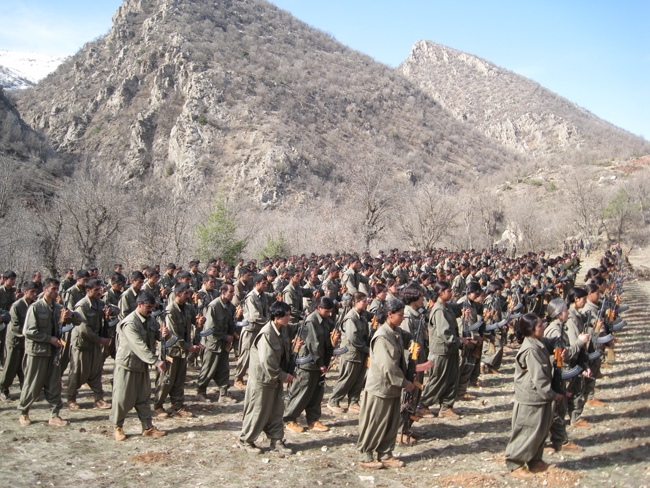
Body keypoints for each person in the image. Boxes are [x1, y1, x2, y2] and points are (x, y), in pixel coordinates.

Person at [357, 299, 414, 469]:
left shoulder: (394, 332)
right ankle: (366, 454)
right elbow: (387, 366)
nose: (403, 318)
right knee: (374, 422)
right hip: (380, 387)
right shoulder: (382, 336)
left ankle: (386, 453)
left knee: (391, 423)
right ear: (390, 315)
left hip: (391, 387)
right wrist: (404, 382)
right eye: (400, 315)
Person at [17, 278, 82, 427]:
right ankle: (24, 412)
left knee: (54, 384)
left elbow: (79, 320)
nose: (55, 291)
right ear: (45, 290)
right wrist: (49, 339)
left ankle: (54, 415)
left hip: (53, 353)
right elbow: (28, 331)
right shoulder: (36, 308)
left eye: (57, 289)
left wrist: (70, 315)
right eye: (53, 289)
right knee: (32, 384)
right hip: (38, 352)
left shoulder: (59, 308)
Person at [505, 313, 562, 479]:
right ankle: (515, 463)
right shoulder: (530, 349)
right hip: (532, 397)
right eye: (539, 326)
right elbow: (539, 378)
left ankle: (535, 461)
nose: (543, 327)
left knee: (541, 430)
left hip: (539, 397)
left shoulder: (537, 343)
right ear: (530, 330)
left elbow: (547, 344)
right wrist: (553, 394)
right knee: (527, 430)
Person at [110, 292, 167, 441]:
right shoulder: (130, 323)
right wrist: (155, 361)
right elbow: (139, 346)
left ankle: (147, 427)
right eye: (148, 307)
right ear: (139, 305)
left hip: (142, 365)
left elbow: (156, 334)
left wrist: (163, 334)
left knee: (144, 397)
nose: (151, 310)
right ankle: (118, 427)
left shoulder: (150, 320)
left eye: (152, 307)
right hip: (127, 365)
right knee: (122, 398)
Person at [239, 301, 294, 455]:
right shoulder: (267, 334)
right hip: (263, 380)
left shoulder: (281, 330)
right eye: (287, 315)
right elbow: (267, 362)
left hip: (275, 378)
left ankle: (276, 440)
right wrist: (284, 376)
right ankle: (247, 440)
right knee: (258, 411)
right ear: (277, 317)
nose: (289, 318)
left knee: (277, 411)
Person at [283, 297, 334, 433]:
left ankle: (313, 419)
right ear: (319, 308)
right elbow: (313, 344)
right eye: (327, 311)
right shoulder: (312, 321)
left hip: (319, 361)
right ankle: (289, 419)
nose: (329, 314)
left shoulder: (326, 320)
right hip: (308, 362)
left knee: (317, 393)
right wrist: (320, 363)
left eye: (330, 311)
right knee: (302, 391)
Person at [153, 283, 204, 418]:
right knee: (166, 380)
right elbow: (174, 335)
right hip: (171, 351)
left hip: (182, 352)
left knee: (179, 380)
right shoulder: (171, 310)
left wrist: (200, 322)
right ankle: (158, 405)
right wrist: (190, 347)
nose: (188, 296)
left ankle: (178, 406)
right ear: (178, 294)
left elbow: (194, 320)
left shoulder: (187, 308)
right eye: (186, 293)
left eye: (189, 293)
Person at [419, 281, 466, 419]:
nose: (451, 293)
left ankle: (446, 407)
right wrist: (459, 341)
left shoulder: (447, 308)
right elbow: (444, 333)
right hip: (441, 351)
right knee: (438, 379)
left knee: (452, 379)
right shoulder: (439, 310)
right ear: (440, 292)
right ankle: (422, 405)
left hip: (450, 350)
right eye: (449, 291)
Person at [67, 279, 112, 410]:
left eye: (100, 289)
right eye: (96, 290)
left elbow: (116, 309)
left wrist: (110, 312)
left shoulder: (99, 303)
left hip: (95, 344)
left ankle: (99, 399)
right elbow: (83, 329)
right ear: (88, 290)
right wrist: (100, 340)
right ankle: (71, 398)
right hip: (83, 344)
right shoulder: (82, 306)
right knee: (78, 373)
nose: (100, 292)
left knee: (96, 371)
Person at [328, 292, 370, 414]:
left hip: (360, 352)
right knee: (347, 378)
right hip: (352, 353)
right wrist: (366, 349)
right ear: (357, 302)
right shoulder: (351, 317)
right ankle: (334, 400)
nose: (367, 303)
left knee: (358, 379)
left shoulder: (361, 315)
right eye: (364, 301)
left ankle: (353, 402)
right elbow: (353, 338)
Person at [197, 283, 237, 403]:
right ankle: (201, 391)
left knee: (224, 369)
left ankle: (223, 394)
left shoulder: (230, 307)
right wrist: (225, 337)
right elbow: (210, 328)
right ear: (223, 292)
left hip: (224, 344)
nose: (233, 294)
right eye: (230, 291)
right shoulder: (214, 306)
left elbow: (231, 323)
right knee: (208, 368)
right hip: (212, 343)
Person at [0, 281, 38, 401]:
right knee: (10, 368)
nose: (34, 294)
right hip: (15, 342)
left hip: (27, 342)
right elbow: (14, 327)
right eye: (32, 292)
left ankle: (25, 390)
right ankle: (3, 389)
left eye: (36, 292)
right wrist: (30, 335)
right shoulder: (16, 306)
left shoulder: (35, 305)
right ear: (25, 292)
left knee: (25, 367)